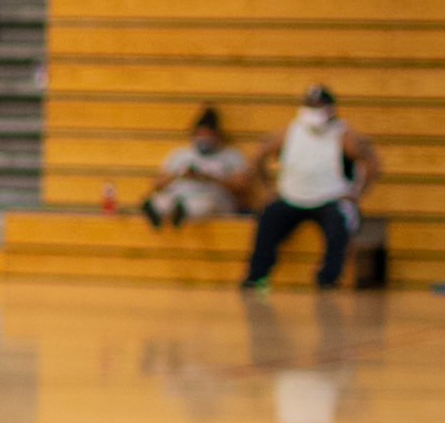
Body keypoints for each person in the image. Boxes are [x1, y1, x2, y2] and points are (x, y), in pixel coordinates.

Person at [243, 84, 379, 290]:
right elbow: (258, 156)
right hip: (292, 197)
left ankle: (328, 278)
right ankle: (257, 275)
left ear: (330, 108)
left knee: (339, 223)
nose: (313, 110)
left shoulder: (343, 135)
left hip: (330, 199)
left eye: (318, 106)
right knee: (268, 217)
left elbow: (371, 162)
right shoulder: (289, 132)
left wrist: (356, 193)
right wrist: (267, 190)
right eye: (310, 105)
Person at [140, 106, 250, 227]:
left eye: (208, 135)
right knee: (162, 200)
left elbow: (241, 185)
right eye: (200, 134)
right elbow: (157, 183)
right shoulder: (180, 155)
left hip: (215, 198)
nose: (203, 139)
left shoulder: (230, 155)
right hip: (180, 196)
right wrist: (180, 174)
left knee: (205, 203)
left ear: (216, 135)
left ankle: (184, 211)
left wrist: (210, 177)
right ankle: (162, 210)